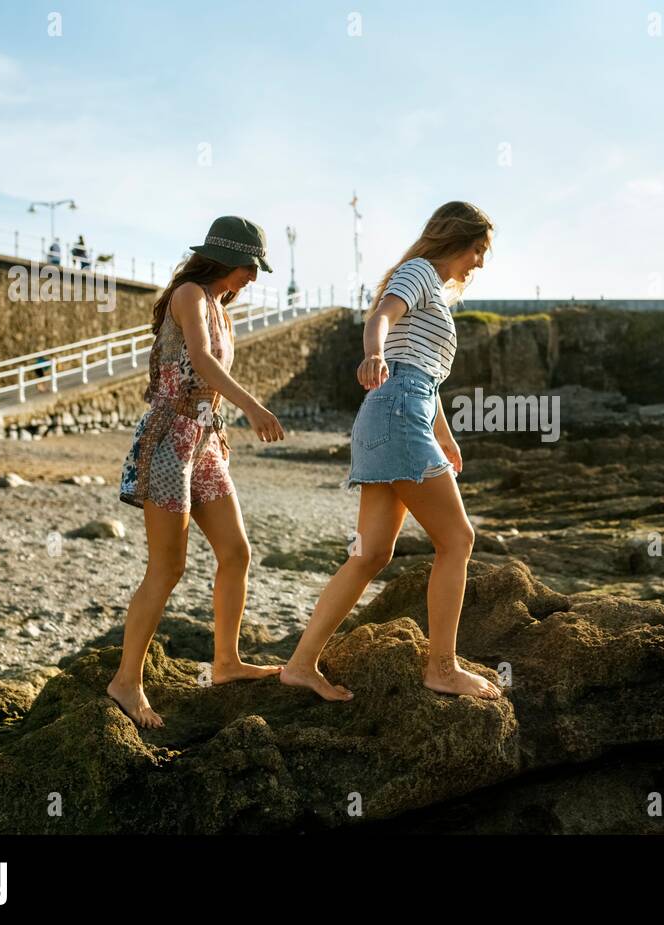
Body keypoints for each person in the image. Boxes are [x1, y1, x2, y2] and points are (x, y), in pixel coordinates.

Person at [279, 201, 500, 701]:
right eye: (478, 250)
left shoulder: (434, 293)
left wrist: (444, 435)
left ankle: (299, 664)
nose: (480, 263)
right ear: (455, 239)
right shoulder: (418, 272)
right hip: (398, 413)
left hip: (398, 412)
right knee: (458, 540)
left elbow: (422, 374)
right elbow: (382, 317)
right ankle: (441, 667)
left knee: (370, 553)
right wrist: (372, 352)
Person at [109, 216, 286, 728]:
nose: (254, 276)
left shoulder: (222, 311)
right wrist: (255, 407)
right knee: (167, 568)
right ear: (228, 260)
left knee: (236, 552)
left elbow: (213, 372)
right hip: (169, 442)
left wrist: (230, 421)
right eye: (251, 266)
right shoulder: (188, 293)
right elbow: (203, 363)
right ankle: (126, 682)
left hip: (205, 445)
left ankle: (226, 662)